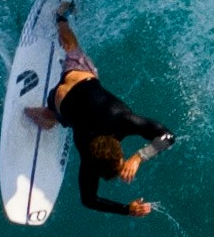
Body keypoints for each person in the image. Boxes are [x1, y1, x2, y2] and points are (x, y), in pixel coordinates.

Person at [42, 32, 174, 218]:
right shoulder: (88, 158)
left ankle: (61, 19)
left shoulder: (123, 121)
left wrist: (138, 157)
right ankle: (32, 114)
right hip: (60, 102)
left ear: (119, 149)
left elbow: (168, 136)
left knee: (72, 48)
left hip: (78, 77)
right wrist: (126, 210)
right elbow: (88, 200)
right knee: (50, 118)